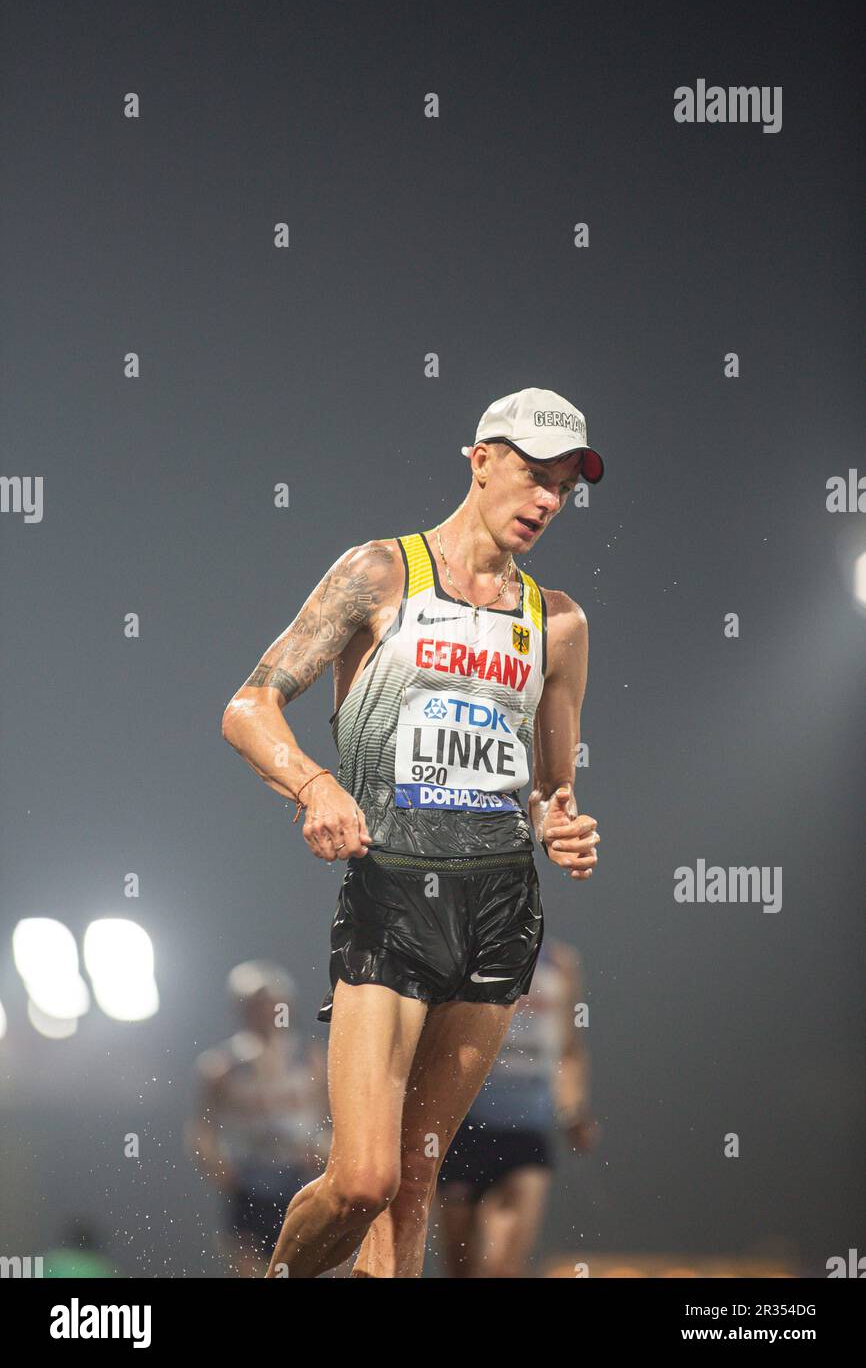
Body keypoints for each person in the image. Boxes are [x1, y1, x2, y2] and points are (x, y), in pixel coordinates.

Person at [221, 385, 603, 1278]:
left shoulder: (560, 623)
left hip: (501, 908)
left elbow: (554, 787)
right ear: (480, 459)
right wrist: (315, 786)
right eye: (534, 476)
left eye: (566, 489)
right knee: (362, 1178)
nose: (548, 500)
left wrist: (564, 825)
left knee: (418, 1176)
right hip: (394, 893)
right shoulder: (381, 573)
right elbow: (249, 707)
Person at [437, 938, 600, 1277]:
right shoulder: (463, 951)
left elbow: (568, 1048)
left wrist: (573, 1110)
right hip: (467, 1125)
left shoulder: (561, 963)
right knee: (460, 1263)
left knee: (504, 1265)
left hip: (528, 1126)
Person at [187, 961, 328, 1276]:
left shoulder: (314, 1059)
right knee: (251, 1265)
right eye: (255, 1004)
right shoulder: (221, 1067)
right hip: (250, 1177)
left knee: (314, 1258)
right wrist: (220, 1168)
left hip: (301, 1173)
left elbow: (334, 1117)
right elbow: (202, 1128)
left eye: (271, 1003)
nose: (265, 1011)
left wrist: (326, 1153)